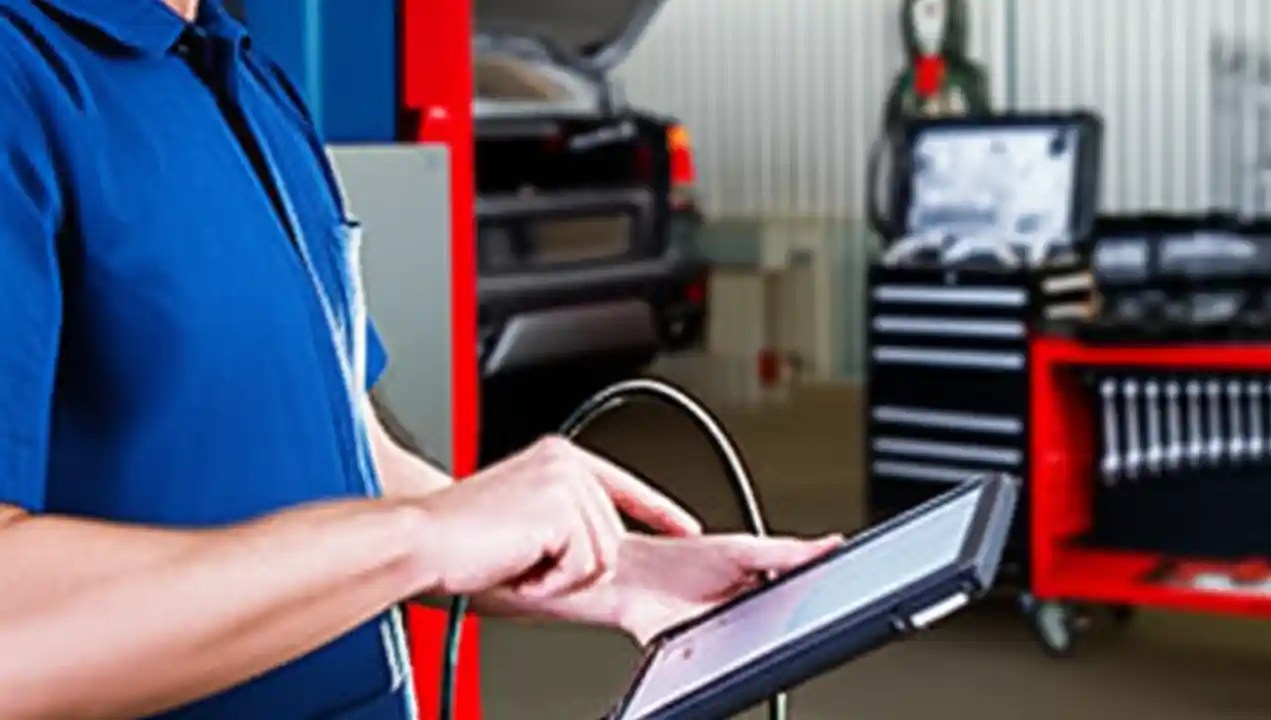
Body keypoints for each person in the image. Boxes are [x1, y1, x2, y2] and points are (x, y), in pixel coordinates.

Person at [0, 1, 841, 718]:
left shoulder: (240, 74)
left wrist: (607, 570)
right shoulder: (19, 77)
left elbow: (347, 450)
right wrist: (424, 538)